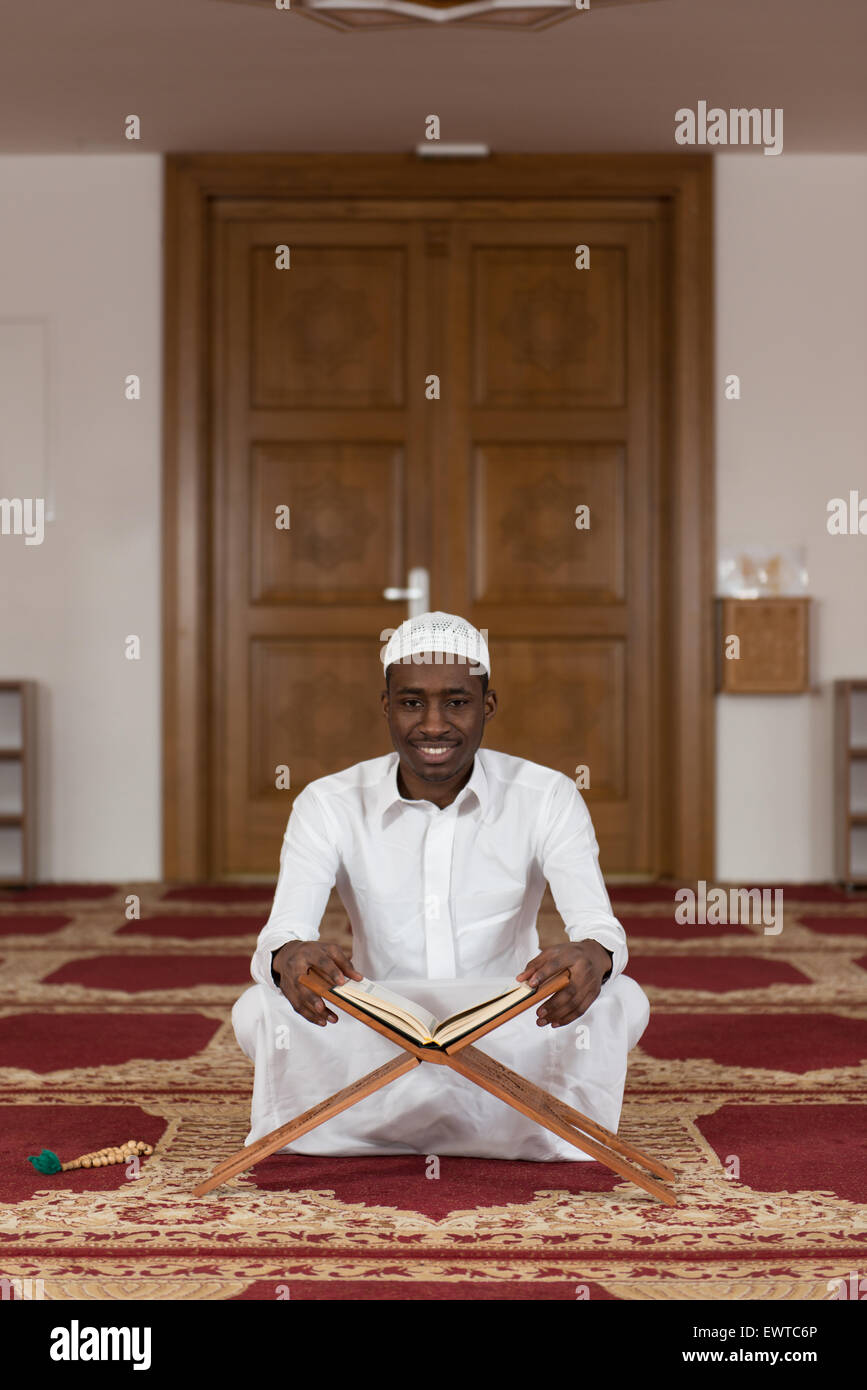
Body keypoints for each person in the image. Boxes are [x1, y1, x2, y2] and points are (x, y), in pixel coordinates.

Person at [232, 612, 650, 1160]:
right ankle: (510, 1122)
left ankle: (368, 1124)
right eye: (411, 703)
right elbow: (281, 934)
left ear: (487, 706)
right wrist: (291, 955)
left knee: (623, 998)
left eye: (456, 702)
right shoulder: (327, 802)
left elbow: (598, 928)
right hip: (376, 1023)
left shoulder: (546, 795)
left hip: (509, 1021)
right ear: (387, 707)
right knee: (257, 1009)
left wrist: (592, 955)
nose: (433, 724)